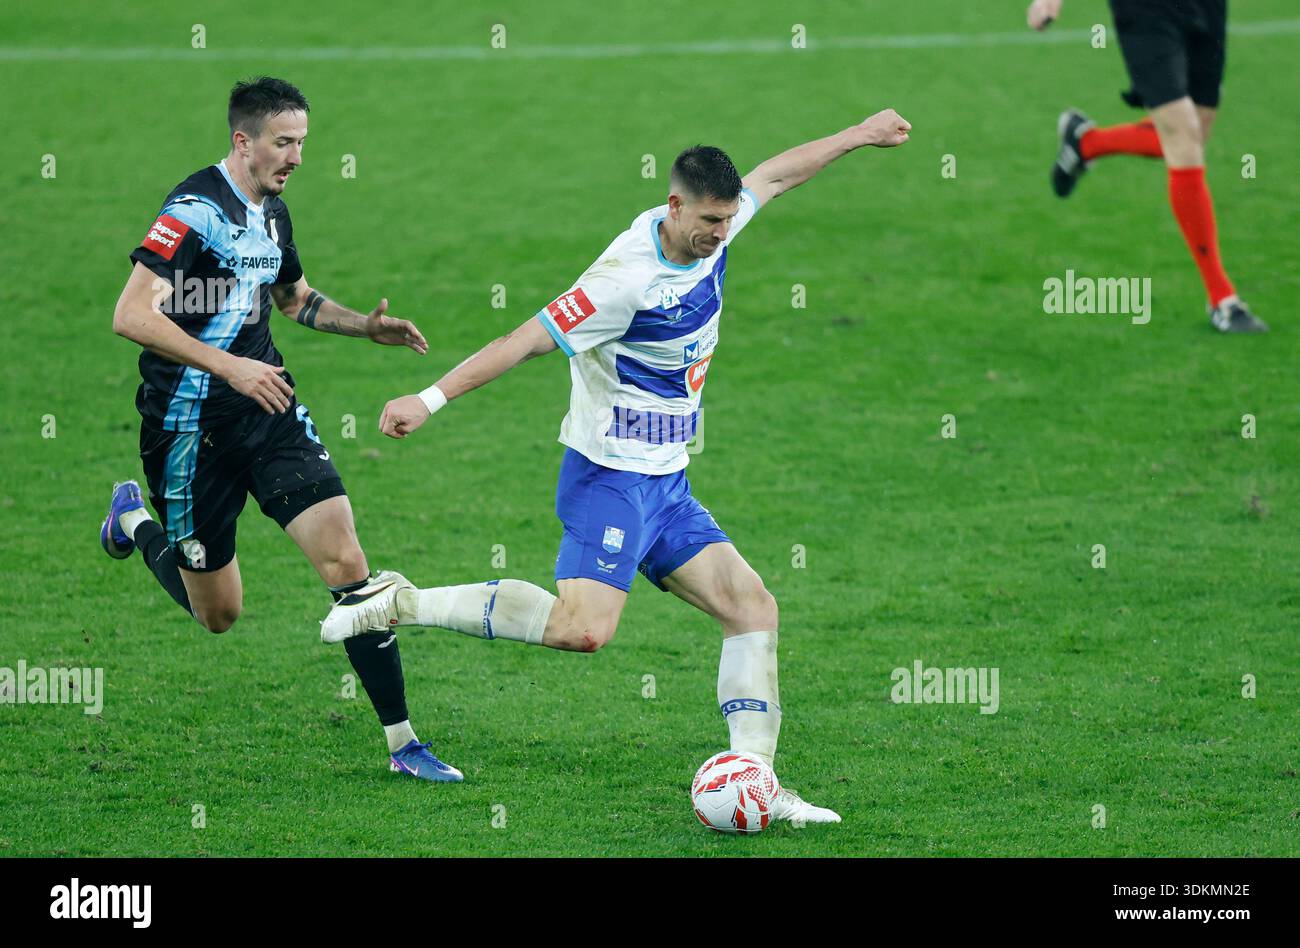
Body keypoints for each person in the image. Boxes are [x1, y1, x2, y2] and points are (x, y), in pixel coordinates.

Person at [323, 109, 914, 820]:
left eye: (727, 221)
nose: (720, 234)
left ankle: (759, 781)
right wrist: (430, 397)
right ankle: (400, 601)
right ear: (674, 206)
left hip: (665, 483)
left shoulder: (713, 233)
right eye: (708, 222)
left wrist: (856, 136)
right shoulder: (622, 282)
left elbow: (777, 175)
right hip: (607, 479)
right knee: (585, 629)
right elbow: (523, 340)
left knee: (752, 607)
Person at [101, 76, 461, 781]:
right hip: (187, 430)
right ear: (244, 141)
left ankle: (402, 743)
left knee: (348, 565)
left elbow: (292, 298)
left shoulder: (273, 212)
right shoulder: (193, 212)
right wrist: (230, 366)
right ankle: (136, 525)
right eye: (284, 142)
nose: (296, 156)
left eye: (302, 142)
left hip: (269, 412)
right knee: (220, 615)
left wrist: (366, 327)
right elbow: (132, 314)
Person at [1029, 0, 1266, 332]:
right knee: (1183, 136)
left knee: (1194, 132)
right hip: (1145, 9)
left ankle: (1085, 143)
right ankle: (1222, 300)